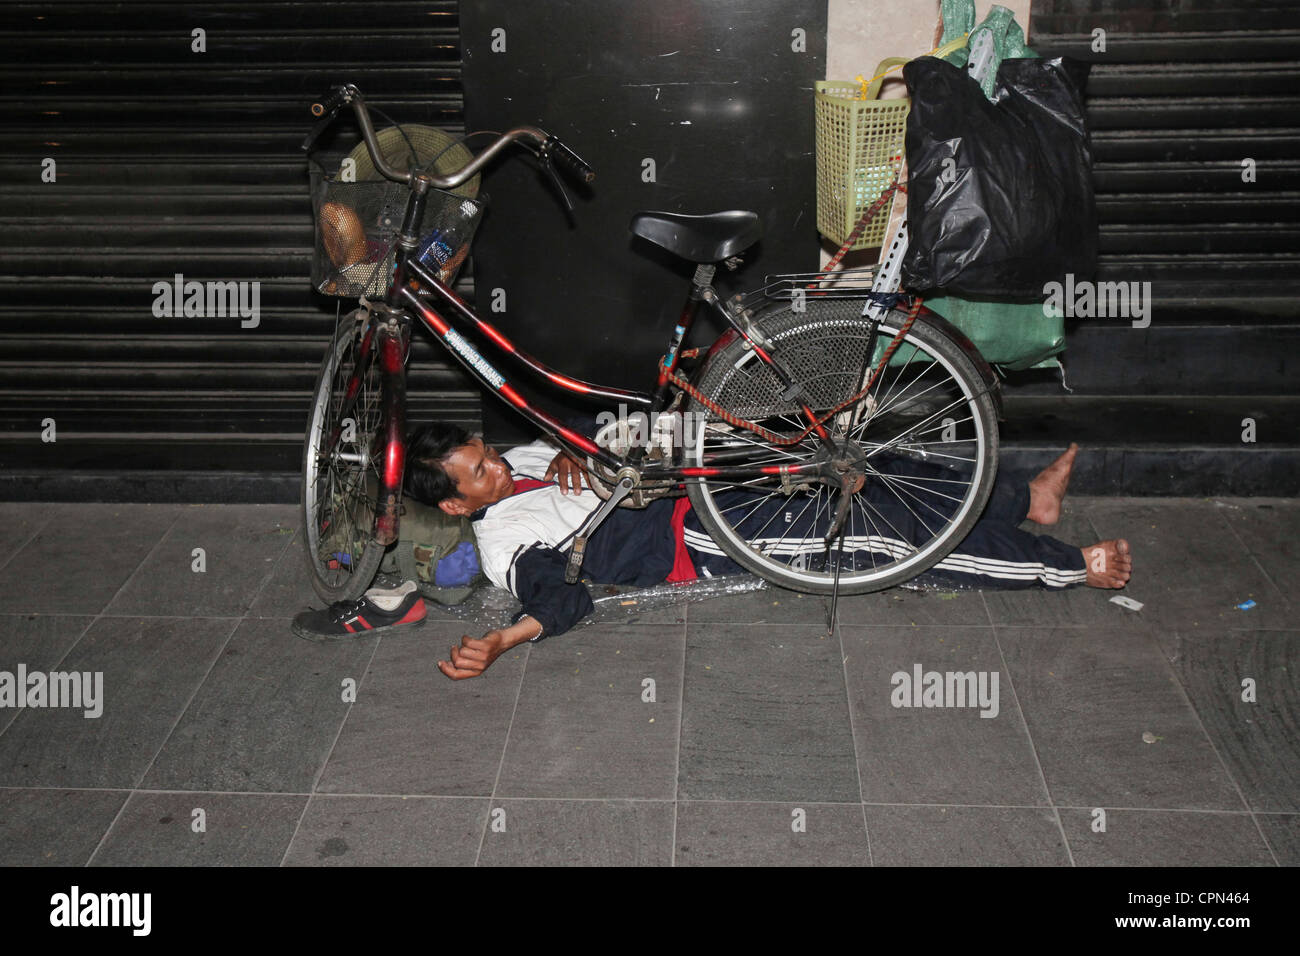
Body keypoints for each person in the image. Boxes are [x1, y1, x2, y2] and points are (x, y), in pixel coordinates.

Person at [384, 421, 1132, 681]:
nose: (502, 470)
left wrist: (584, 454)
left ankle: (1023, 501)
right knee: (881, 535)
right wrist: (506, 639)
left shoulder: (526, 455)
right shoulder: (501, 542)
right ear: (455, 505)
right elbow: (562, 597)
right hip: (705, 535)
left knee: (868, 471)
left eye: (489, 454)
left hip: (706, 484)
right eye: (481, 475)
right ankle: (1066, 568)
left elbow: (609, 447)